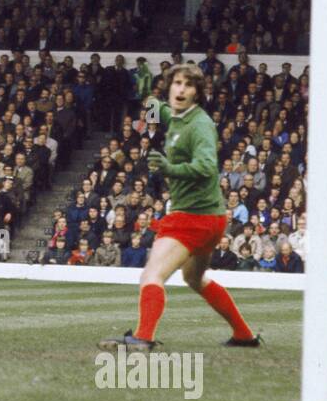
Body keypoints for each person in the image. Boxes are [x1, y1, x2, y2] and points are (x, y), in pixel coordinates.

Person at [99, 64, 261, 349]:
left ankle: (143, 338)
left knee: (152, 274)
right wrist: (145, 99)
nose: (181, 89)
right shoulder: (176, 117)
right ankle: (244, 335)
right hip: (210, 218)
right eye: (177, 83)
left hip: (192, 217)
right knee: (194, 278)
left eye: (188, 85)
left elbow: (208, 166)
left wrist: (170, 168)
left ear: (197, 94)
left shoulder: (199, 125)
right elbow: (155, 110)